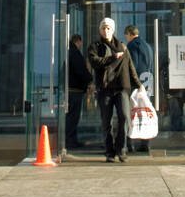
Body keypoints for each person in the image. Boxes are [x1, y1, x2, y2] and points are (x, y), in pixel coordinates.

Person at [87, 18, 142, 162]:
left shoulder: (122, 46)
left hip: (122, 87)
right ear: (100, 30)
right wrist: (111, 58)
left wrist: (138, 84)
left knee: (124, 117)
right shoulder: (95, 46)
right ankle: (109, 151)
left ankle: (122, 149)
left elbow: (130, 67)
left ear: (113, 30)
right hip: (105, 88)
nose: (106, 31)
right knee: (107, 121)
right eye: (103, 28)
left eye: (108, 28)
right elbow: (94, 62)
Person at [124, 26, 153, 153]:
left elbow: (132, 66)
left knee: (131, 112)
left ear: (129, 34)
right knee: (145, 113)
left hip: (136, 85)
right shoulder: (147, 46)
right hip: (148, 83)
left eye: (126, 36)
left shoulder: (131, 46)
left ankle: (129, 143)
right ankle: (145, 143)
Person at [65, 34, 93, 150]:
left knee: (71, 116)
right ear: (78, 41)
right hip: (75, 90)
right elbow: (81, 70)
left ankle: (70, 140)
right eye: (81, 43)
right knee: (73, 117)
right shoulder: (75, 53)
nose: (81, 45)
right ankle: (70, 141)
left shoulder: (69, 53)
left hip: (72, 89)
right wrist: (90, 81)